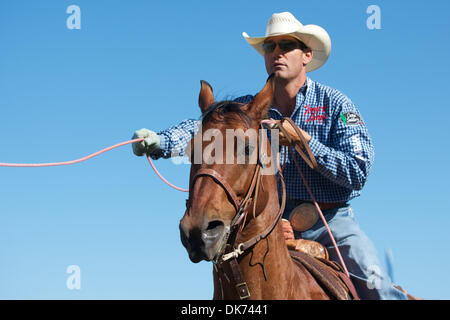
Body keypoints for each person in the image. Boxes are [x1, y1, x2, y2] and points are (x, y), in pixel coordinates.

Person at [131, 11, 407, 300]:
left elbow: (358, 170)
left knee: (374, 281)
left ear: (307, 55)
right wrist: (159, 140)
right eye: (270, 47)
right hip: (267, 224)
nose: (277, 53)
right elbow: (203, 128)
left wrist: (304, 141)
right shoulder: (247, 112)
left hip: (330, 223)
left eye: (287, 46)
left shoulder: (335, 104)